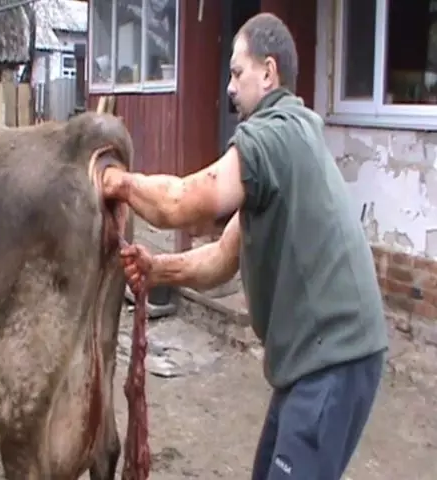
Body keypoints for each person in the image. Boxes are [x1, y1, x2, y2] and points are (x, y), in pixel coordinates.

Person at [101, 12, 389, 480]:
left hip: (334, 358)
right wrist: (157, 269)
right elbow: (222, 256)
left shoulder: (273, 134)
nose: (230, 88)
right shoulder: (293, 137)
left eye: (237, 73)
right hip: (322, 358)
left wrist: (114, 182)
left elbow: (182, 201)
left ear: (269, 72)